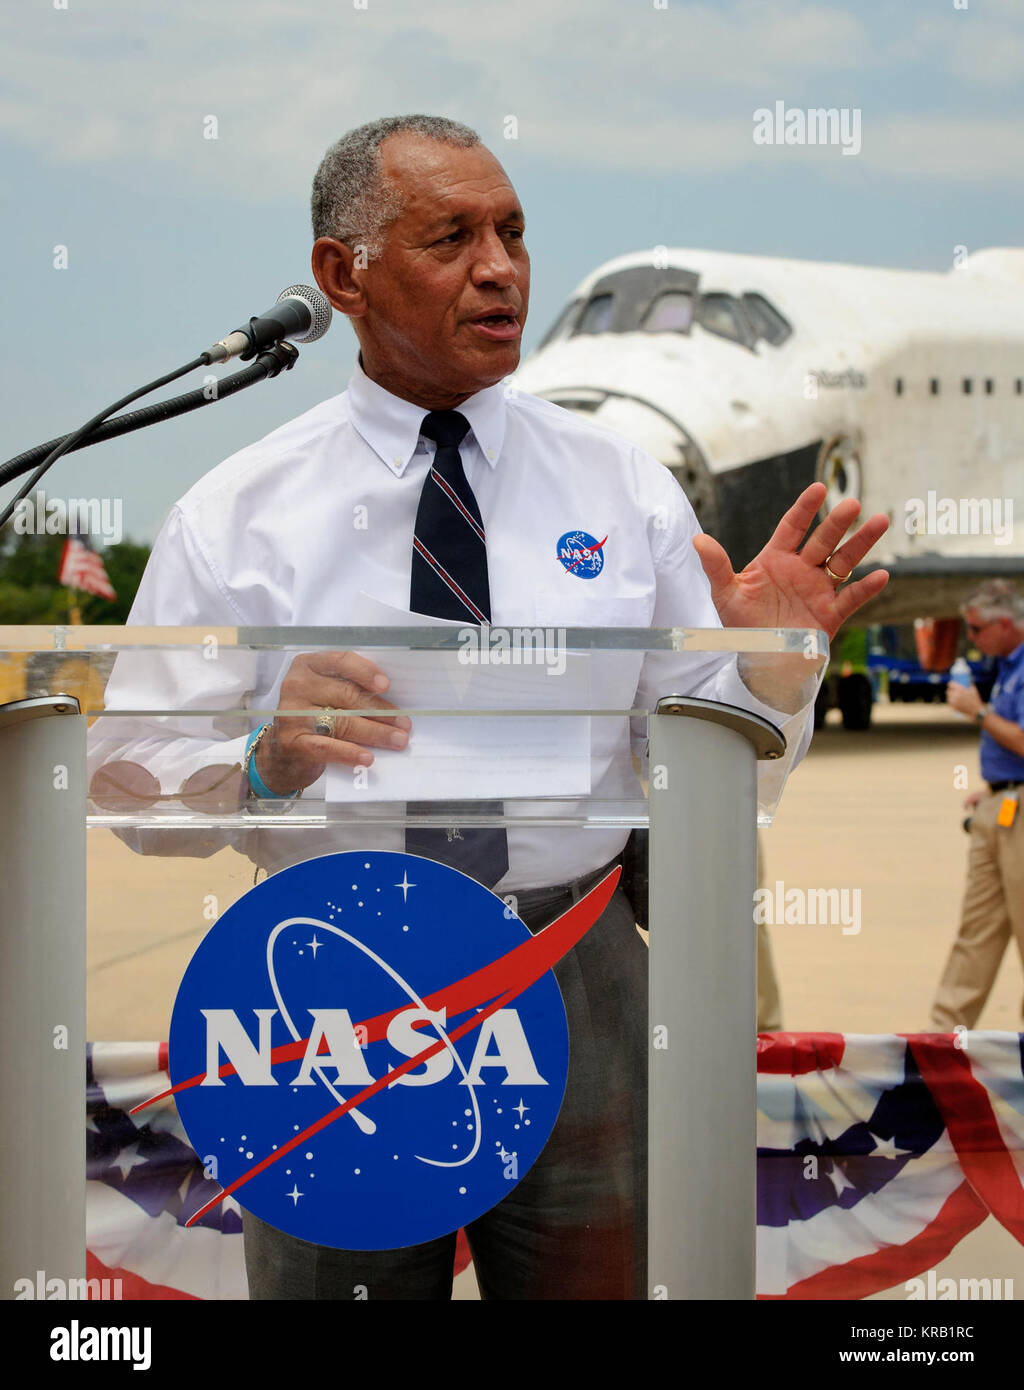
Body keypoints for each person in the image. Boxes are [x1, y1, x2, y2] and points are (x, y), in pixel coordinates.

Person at [91, 114, 890, 1299]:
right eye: (450, 236)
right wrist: (263, 759)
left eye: (513, 232)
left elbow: (704, 769)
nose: (501, 267)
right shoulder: (238, 510)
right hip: (333, 989)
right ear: (338, 275)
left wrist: (768, 674)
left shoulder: (622, 484)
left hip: (576, 966)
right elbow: (127, 780)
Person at [932, 580, 1024, 1030]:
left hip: (1018, 812)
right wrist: (994, 790)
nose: (972, 639)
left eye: (976, 629)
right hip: (1001, 807)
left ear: (1006, 623)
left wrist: (979, 711)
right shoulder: (1008, 665)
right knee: (976, 934)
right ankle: (940, 1043)